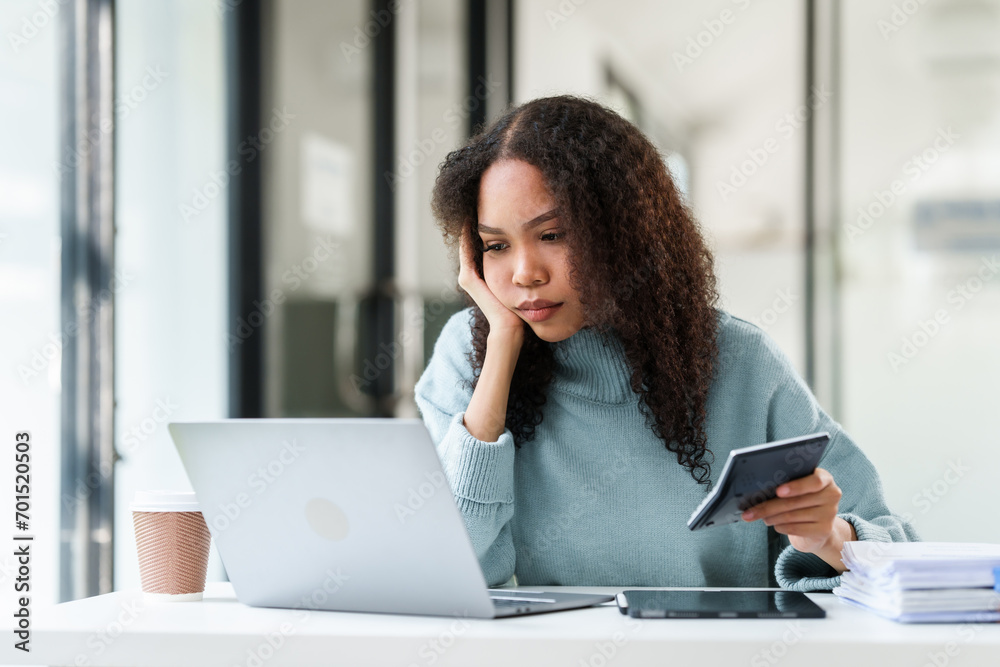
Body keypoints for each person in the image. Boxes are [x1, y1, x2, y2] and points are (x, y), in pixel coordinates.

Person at [414, 95, 917, 591]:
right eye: (496, 246)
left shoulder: (740, 361)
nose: (525, 273)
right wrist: (501, 346)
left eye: (554, 234)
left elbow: (898, 554)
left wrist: (827, 536)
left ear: (622, 232)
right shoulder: (468, 356)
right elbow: (449, 567)